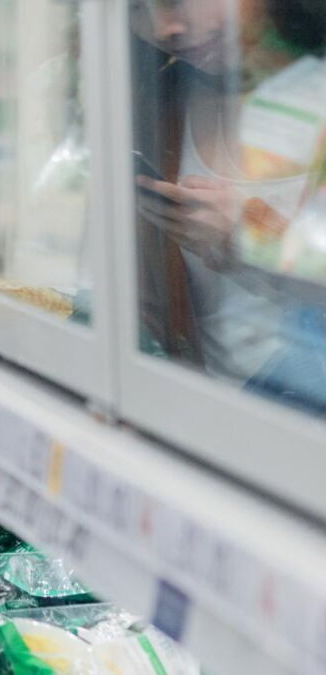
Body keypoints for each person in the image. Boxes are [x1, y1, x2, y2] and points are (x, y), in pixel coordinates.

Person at [129, 0, 326, 412]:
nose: (165, 28)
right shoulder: (160, 99)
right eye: (134, 8)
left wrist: (247, 236)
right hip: (209, 419)